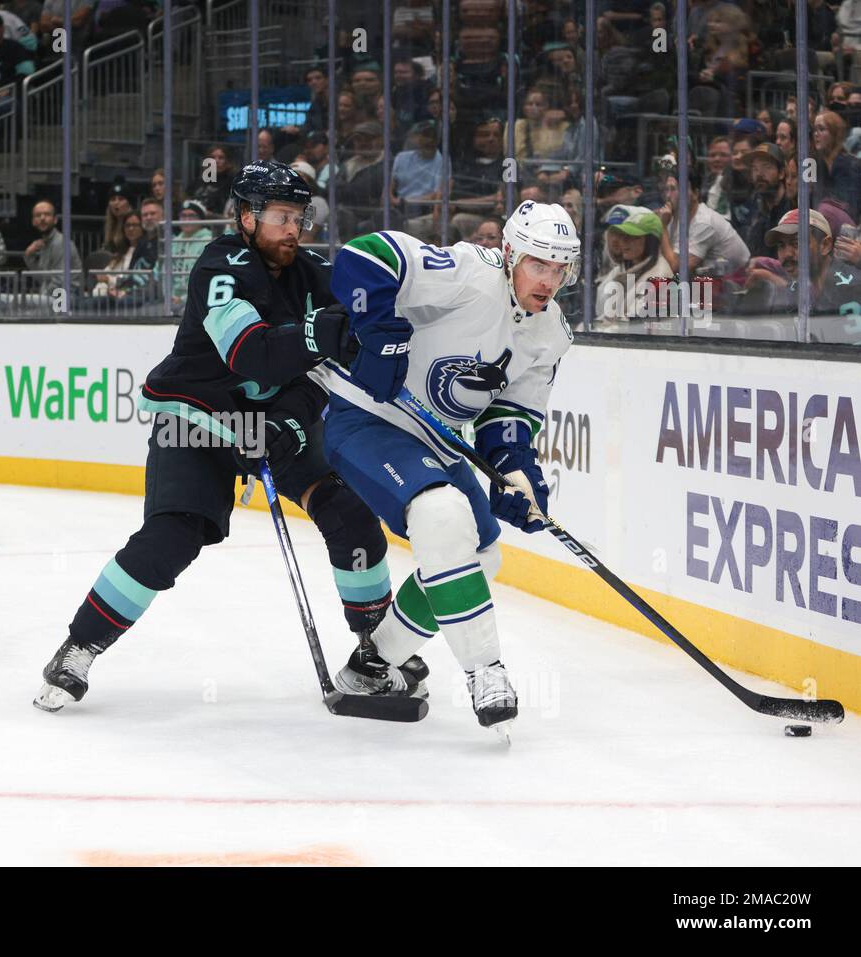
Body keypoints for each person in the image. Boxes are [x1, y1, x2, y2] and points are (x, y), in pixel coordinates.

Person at [35, 162, 409, 712]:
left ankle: (374, 655)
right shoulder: (221, 267)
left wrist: (290, 417)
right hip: (198, 419)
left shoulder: (314, 273)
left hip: (275, 420)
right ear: (245, 217)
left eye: (299, 217)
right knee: (172, 538)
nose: (292, 229)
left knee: (351, 515)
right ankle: (79, 646)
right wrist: (320, 333)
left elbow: (328, 373)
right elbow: (248, 352)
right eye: (281, 217)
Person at [316, 201, 583, 732]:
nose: (548, 280)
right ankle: (485, 671)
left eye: (560, 268)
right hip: (368, 417)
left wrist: (516, 470)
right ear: (509, 254)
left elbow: (510, 416)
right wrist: (380, 330)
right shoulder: (470, 274)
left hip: (435, 439)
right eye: (537, 264)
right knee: (442, 515)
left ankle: (373, 665)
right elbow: (362, 258)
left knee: (483, 556)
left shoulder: (550, 333)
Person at [594, 205, 674, 322]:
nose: (624, 242)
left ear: (650, 242)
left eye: (634, 237)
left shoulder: (659, 278)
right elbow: (601, 311)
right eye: (624, 235)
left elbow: (634, 326)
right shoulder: (622, 270)